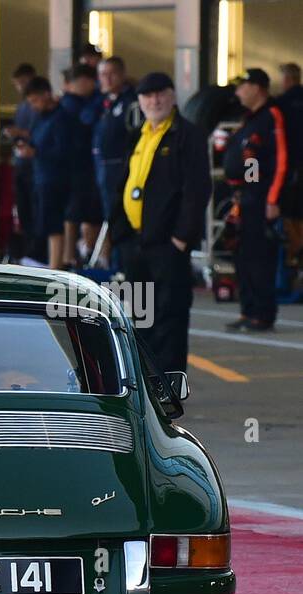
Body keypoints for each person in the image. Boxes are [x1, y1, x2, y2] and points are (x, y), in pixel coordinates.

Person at [108, 72, 211, 372]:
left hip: (167, 246)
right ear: (139, 101)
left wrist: (181, 238)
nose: (154, 100)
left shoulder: (187, 134)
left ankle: (169, 385)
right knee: (140, 317)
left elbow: (197, 189)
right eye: (147, 95)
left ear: (172, 96)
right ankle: (144, 382)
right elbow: (123, 184)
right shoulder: (137, 134)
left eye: (160, 94)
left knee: (170, 316)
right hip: (134, 244)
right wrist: (119, 232)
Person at [223, 68, 288, 333]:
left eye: (242, 86)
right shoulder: (248, 119)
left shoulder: (271, 115)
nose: (238, 92)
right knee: (243, 255)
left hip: (261, 198)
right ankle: (247, 309)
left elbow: (282, 159)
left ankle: (263, 313)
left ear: (257, 87)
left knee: (260, 257)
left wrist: (273, 198)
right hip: (244, 197)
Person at [16, 76, 74, 269]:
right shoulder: (40, 118)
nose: (33, 106)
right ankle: (53, 264)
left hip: (56, 178)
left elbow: (64, 150)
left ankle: (56, 266)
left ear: (46, 94)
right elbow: (35, 140)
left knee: (54, 224)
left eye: (34, 100)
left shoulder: (61, 118)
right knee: (45, 223)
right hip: (40, 176)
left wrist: (36, 152)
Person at [93, 56, 140, 265]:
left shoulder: (131, 102)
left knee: (121, 221)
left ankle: (122, 267)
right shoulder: (105, 102)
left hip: (121, 170)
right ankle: (113, 264)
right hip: (104, 170)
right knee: (108, 219)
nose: (107, 79)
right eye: (102, 74)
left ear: (122, 75)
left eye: (112, 74)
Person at [60, 64, 104, 263]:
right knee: (78, 213)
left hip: (81, 165)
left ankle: (82, 253)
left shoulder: (82, 102)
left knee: (83, 214)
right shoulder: (72, 104)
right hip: (80, 165)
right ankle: (75, 254)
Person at [4, 63, 40, 260]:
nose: (21, 87)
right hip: (22, 164)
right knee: (24, 209)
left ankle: (36, 250)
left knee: (36, 209)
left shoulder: (36, 105)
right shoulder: (22, 107)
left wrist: (20, 133)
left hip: (35, 165)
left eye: (24, 82)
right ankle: (26, 249)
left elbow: (40, 133)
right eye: (18, 84)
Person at [277, 63, 303, 269]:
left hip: (288, 170)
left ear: (287, 80)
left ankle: (293, 259)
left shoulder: (280, 105)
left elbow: (252, 161)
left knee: (288, 215)